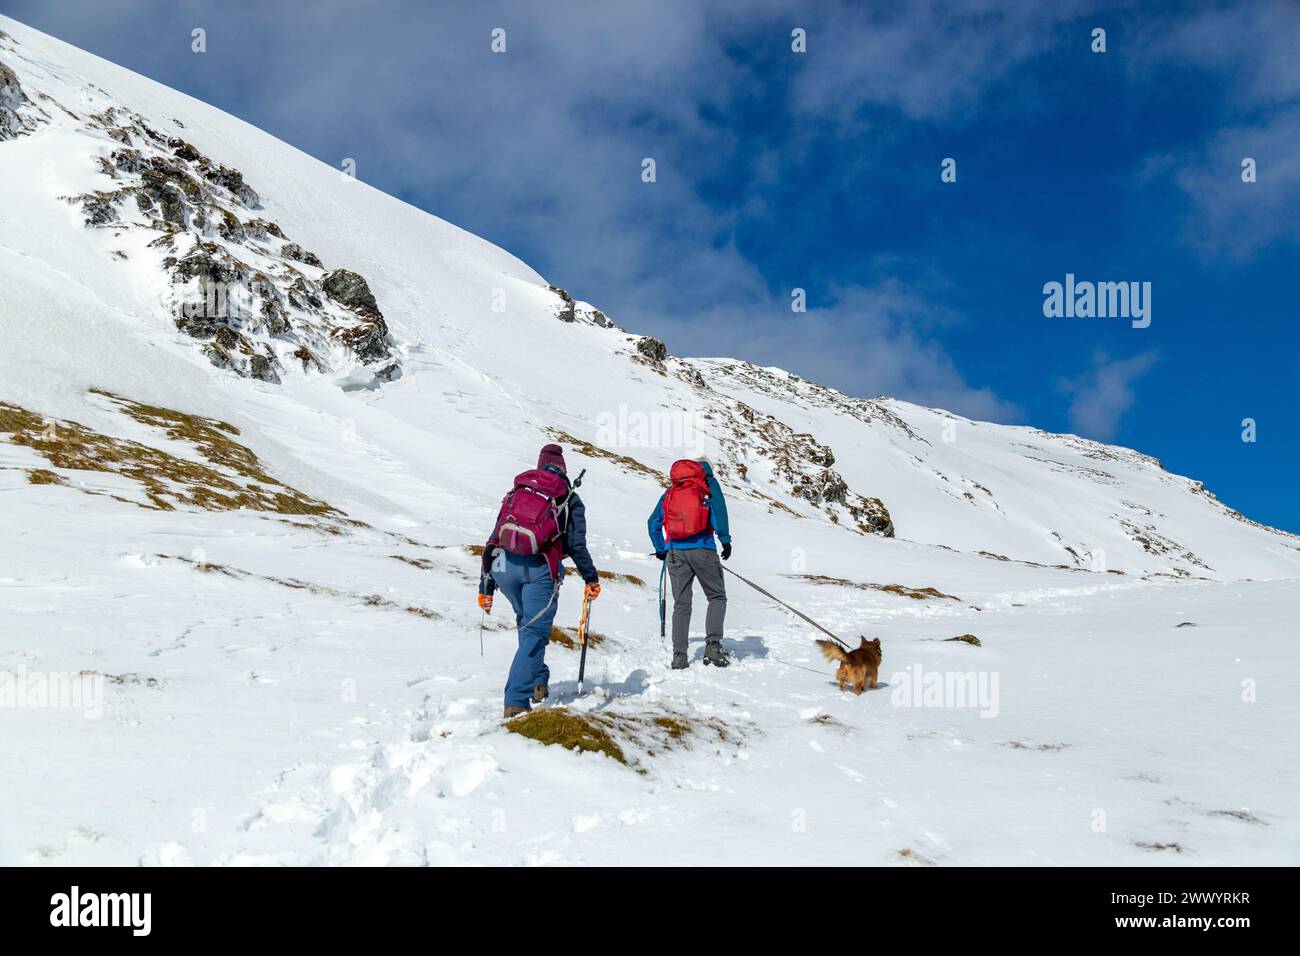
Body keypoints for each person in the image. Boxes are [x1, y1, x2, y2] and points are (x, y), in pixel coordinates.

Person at [478, 443, 600, 718]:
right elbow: (576, 546)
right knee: (534, 632)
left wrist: (486, 585)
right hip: (539, 570)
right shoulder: (569, 498)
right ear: (564, 468)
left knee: (527, 625)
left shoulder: (519, 490)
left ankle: (537, 681)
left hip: (503, 568)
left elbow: (495, 535)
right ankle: (516, 702)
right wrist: (590, 578)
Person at [647, 456, 731, 669]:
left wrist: (660, 549)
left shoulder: (673, 489)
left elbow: (653, 522)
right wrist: (725, 540)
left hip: (675, 552)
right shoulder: (707, 485)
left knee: (681, 604)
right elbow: (718, 514)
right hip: (703, 549)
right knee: (716, 596)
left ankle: (679, 656)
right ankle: (712, 646)